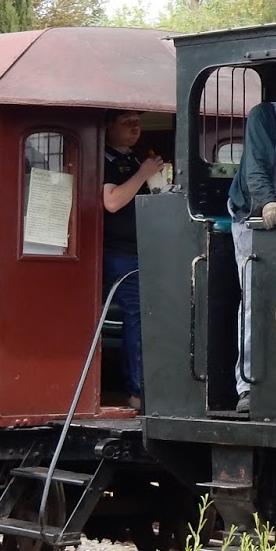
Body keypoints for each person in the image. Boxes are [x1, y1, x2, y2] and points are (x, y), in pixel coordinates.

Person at [228, 76, 276, 414]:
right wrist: (268, 203)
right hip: (252, 219)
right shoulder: (263, 117)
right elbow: (254, 167)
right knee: (255, 297)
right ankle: (247, 386)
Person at [102, 110, 164, 412]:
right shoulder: (102, 161)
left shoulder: (135, 160)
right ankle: (137, 393)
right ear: (108, 125)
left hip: (145, 252)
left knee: (148, 318)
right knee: (136, 318)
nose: (135, 128)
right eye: (127, 122)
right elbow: (111, 202)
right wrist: (143, 174)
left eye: (137, 122)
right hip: (118, 255)